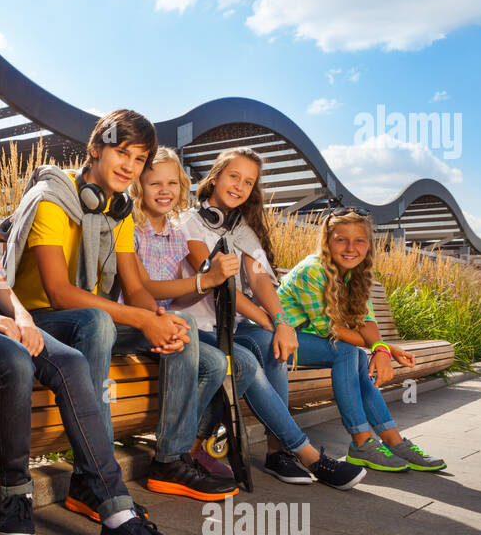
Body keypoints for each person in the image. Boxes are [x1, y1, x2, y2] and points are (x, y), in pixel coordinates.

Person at [0, 105, 191, 535]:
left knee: (69, 361)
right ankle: (15, 490)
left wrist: (20, 316)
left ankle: (117, 512)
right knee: (15, 362)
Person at [2, 109, 237, 509]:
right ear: (95, 149)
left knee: (184, 330)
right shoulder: (52, 201)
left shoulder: (117, 210)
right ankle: (92, 475)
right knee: (97, 321)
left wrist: (160, 322)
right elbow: (59, 293)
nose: (130, 167)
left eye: (139, 159)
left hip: (89, 321)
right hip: (39, 320)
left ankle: (170, 459)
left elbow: (135, 287)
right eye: (122, 153)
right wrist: (143, 319)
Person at [136, 147, 363, 489]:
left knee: (273, 343)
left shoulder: (241, 230)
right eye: (233, 177)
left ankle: (277, 452)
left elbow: (258, 279)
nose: (240, 186)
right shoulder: (189, 224)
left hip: (231, 327)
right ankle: (304, 452)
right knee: (247, 362)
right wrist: (272, 321)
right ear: (214, 178)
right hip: (197, 325)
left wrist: (282, 323)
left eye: (248, 182)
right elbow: (219, 286)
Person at [276, 207, 446, 472]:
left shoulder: (357, 274)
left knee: (354, 354)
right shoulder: (313, 270)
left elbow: (367, 321)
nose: (350, 247)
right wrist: (384, 349)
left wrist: (381, 349)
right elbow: (329, 329)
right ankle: (361, 442)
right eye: (341, 239)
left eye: (359, 240)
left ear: (368, 245)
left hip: (306, 341)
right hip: (276, 340)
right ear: (327, 241)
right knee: (348, 352)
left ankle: (392, 441)